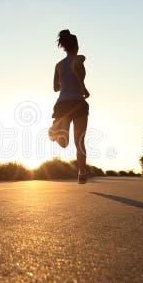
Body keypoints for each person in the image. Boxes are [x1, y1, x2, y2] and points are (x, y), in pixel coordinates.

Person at [48, 29, 90, 184]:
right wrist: (82, 86)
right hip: (78, 103)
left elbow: (55, 88)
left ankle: (56, 128)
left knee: (64, 143)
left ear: (64, 46)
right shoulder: (78, 59)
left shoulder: (58, 65)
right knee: (80, 141)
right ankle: (82, 172)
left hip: (62, 104)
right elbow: (77, 70)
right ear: (76, 45)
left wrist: (65, 82)